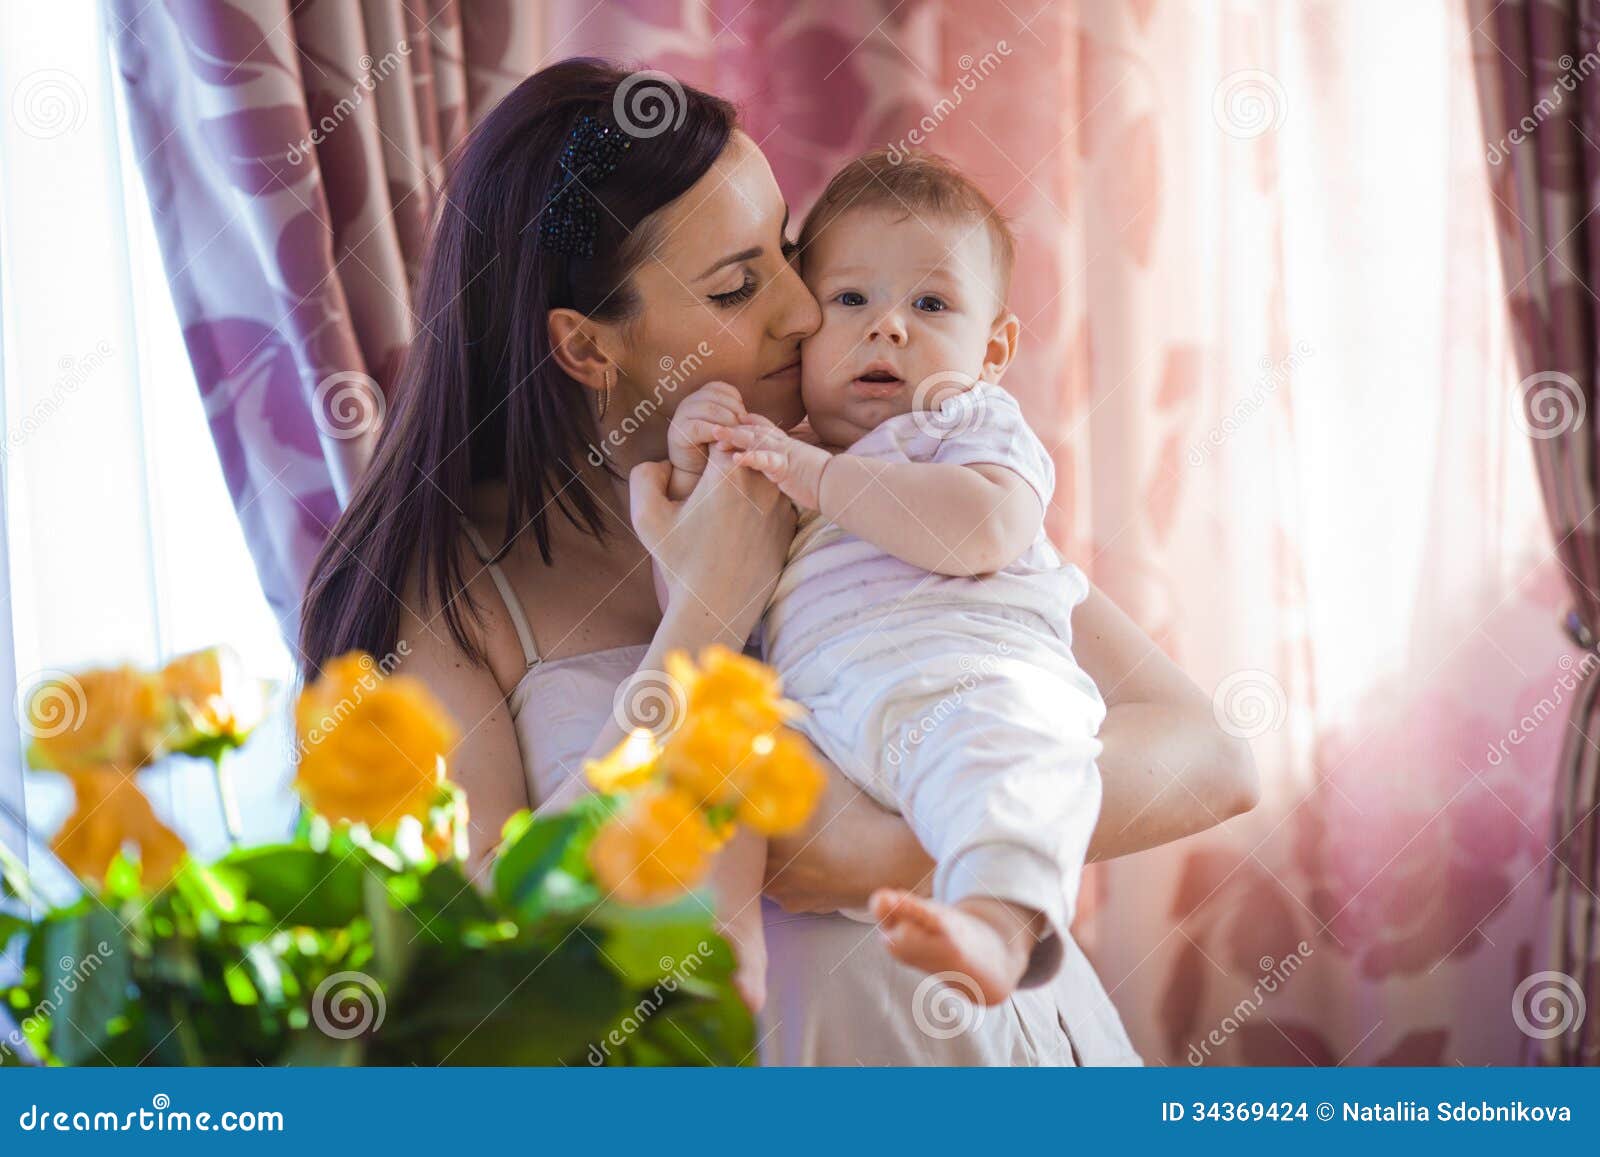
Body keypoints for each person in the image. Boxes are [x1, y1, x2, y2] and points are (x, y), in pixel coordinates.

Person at [299, 58, 1259, 1065]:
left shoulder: (877, 465)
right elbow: (491, 957)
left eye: (786, 249)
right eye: (735, 284)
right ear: (587, 348)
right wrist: (710, 607)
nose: (806, 311)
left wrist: (890, 851)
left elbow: (1209, 753)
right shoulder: (454, 595)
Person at [665, 148, 1104, 1007]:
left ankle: (997, 922)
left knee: (1006, 758)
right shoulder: (787, 454)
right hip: (829, 717)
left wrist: (817, 477)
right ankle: (727, 962)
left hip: (968, 675)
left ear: (994, 347)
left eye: (931, 304)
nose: (888, 326)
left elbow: (983, 527)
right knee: (719, 768)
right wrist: (695, 468)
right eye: (850, 299)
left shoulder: (969, 424)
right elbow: (704, 579)